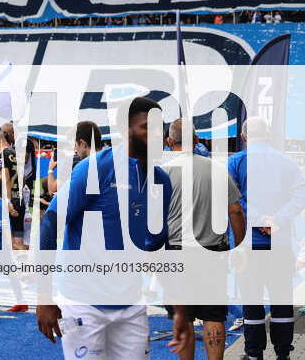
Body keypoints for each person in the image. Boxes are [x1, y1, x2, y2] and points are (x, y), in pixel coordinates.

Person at [36, 97, 193, 359]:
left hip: (130, 303)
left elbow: (159, 249)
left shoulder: (161, 182)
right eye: (147, 127)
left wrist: (179, 310)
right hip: (83, 301)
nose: (157, 135)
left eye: (160, 127)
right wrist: (43, 296)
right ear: (124, 130)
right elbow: (50, 223)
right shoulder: (95, 168)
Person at [162, 118, 245, 360]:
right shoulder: (216, 169)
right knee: (214, 315)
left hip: (177, 252)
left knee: (183, 317)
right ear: (197, 139)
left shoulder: (163, 172)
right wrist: (239, 248)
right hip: (212, 252)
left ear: (169, 141)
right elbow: (235, 211)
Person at [228, 116, 305, 360]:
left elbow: (231, 201)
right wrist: (277, 220)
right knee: (282, 300)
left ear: (243, 137)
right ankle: (283, 353)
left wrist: (258, 219)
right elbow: (300, 195)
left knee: (252, 301)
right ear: (269, 135)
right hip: (279, 244)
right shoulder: (287, 162)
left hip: (248, 245)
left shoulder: (235, 162)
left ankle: (254, 354)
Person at [47, 120, 101, 195]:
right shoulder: (111, 161)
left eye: (75, 145)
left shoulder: (73, 161)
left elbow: (53, 190)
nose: (75, 150)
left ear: (82, 143)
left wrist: (50, 170)